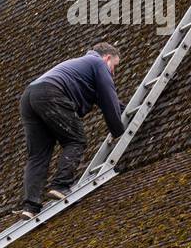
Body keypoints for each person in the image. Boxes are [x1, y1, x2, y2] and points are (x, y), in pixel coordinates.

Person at [16, 42, 126, 218]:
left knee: (38, 155)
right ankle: (61, 185)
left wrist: (125, 110)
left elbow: (111, 103)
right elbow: (108, 98)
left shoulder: (81, 69)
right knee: (75, 140)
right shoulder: (98, 63)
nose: (113, 72)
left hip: (30, 96)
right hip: (51, 93)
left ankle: (30, 206)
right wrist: (119, 132)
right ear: (107, 58)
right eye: (114, 66)